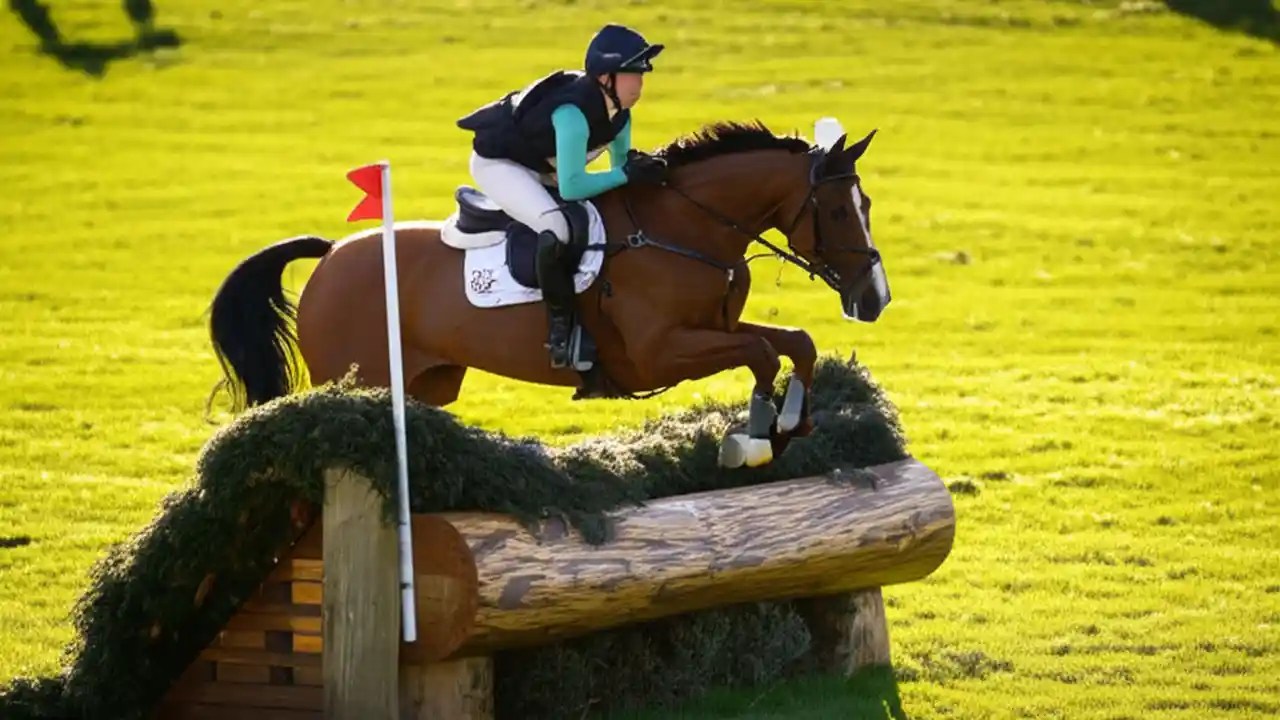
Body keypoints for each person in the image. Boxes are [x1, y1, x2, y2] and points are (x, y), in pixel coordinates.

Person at [456, 23, 669, 368]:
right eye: (631, 74)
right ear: (605, 78)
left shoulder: (620, 116)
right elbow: (573, 187)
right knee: (558, 229)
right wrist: (624, 174)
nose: (639, 84)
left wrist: (641, 173)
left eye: (642, 74)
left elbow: (618, 173)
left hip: (543, 166)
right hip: (500, 165)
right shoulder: (572, 115)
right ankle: (560, 333)